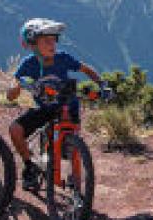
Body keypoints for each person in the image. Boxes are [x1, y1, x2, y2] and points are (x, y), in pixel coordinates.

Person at [6, 18, 107, 192]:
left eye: (54, 40)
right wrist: (17, 87)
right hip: (45, 109)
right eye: (46, 41)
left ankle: (75, 178)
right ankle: (29, 165)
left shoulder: (63, 58)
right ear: (33, 44)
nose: (52, 44)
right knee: (15, 130)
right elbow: (11, 91)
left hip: (68, 107)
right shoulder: (28, 64)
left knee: (71, 148)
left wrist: (102, 84)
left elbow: (86, 69)